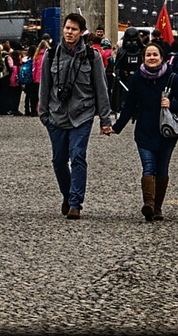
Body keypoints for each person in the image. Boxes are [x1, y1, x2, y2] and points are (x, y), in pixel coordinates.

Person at [37, 12, 113, 219]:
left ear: (81, 33)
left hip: (82, 114)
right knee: (59, 160)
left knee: (78, 156)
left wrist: (106, 120)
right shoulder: (51, 55)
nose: (70, 32)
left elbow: (101, 88)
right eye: (67, 28)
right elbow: (44, 86)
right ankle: (68, 194)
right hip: (56, 115)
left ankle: (75, 203)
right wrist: (43, 114)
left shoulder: (92, 56)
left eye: (74, 29)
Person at [110, 41, 178, 221]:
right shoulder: (137, 79)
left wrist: (172, 103)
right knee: (148, 167)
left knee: (162, 169)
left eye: (155, 54)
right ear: (144, 58)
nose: (151, 58)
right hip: (144, 130)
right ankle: (148, 203)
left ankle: (158, 207)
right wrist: (116, 127)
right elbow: (129, 106)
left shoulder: (172, 77)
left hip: (166, 131)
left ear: (162, 57)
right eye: (148, 55)